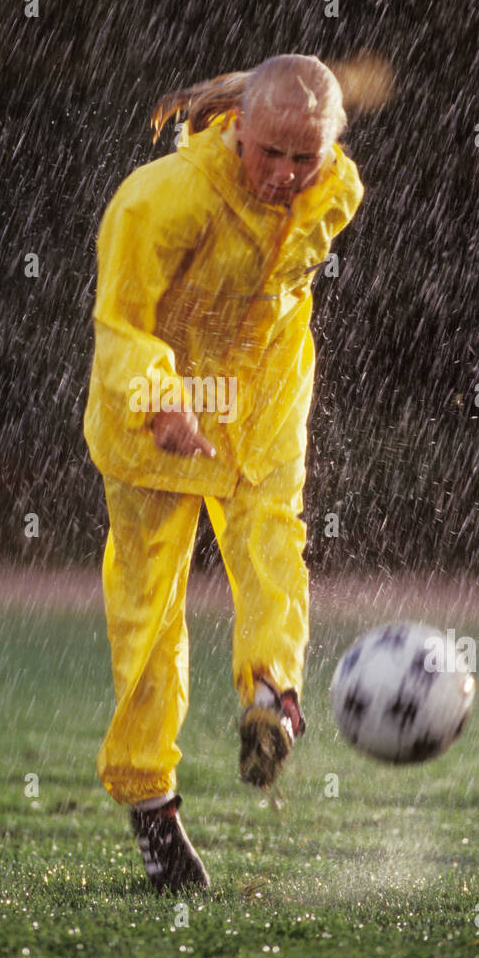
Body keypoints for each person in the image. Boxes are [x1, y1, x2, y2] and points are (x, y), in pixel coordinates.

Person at [84, 53, 363, 892]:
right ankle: (151, 804)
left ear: (330, 147)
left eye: (301, 157)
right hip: (154, 415)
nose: (283, 174)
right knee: (149, 612)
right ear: (237, 125)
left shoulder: (338, 191)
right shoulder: (159, 198)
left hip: (259, 400)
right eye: (267, 152)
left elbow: (283, 300)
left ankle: (272, 699)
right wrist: (163, 400)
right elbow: (119, 324)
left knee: (274, 541)